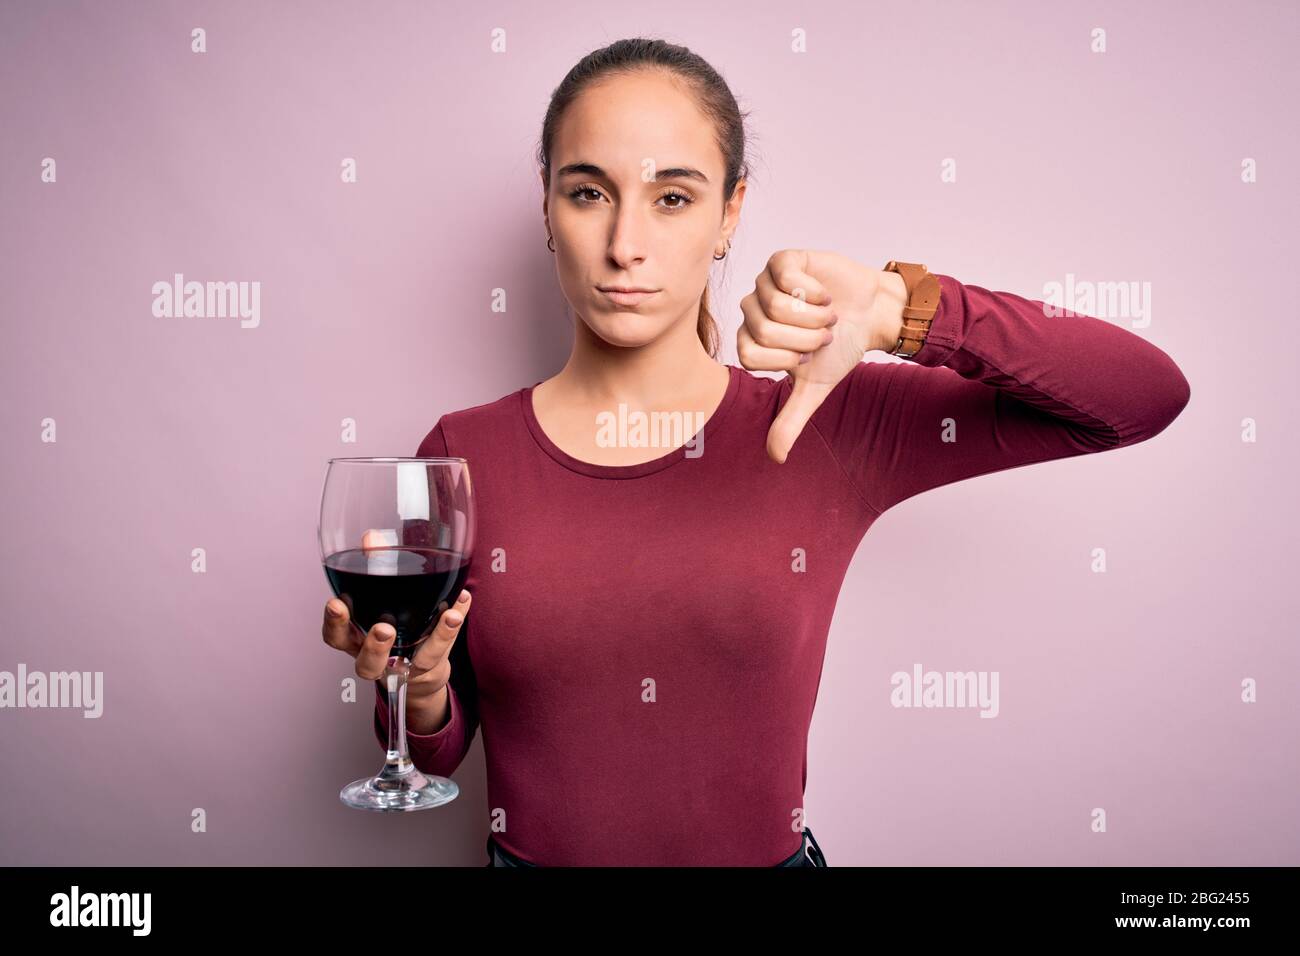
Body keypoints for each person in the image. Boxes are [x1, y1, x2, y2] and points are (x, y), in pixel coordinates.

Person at [321, 37, 1190, 867]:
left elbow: (1140, 396)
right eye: (589, 192)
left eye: (673, 196)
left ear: (730, 212)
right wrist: (422, 695)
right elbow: (432, 760)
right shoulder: (460, 453)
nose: (626, 244)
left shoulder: (823, 422)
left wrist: (902, 309)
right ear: (547, 205)